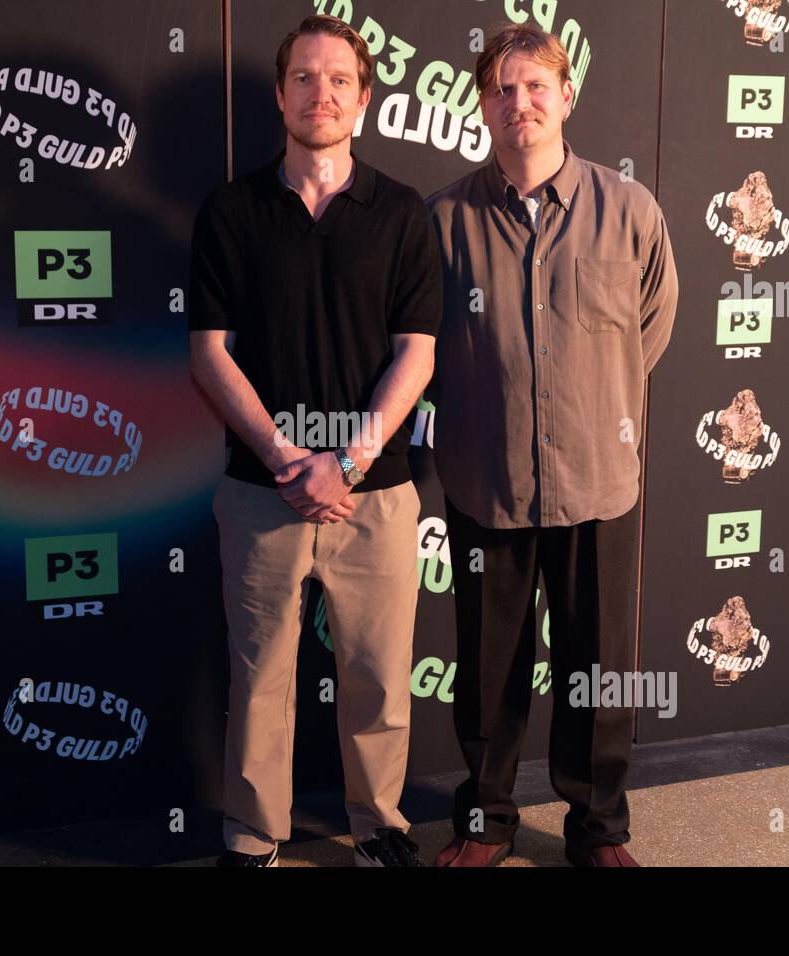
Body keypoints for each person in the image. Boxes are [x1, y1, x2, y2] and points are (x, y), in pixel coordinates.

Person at [188, 14, 441, 867]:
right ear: (280, 94)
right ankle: (254, 833)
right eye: (304, 77)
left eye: (338, 80)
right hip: (261, 490)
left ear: (363, 101)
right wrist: (286, 459)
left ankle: (380, 825)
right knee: (260, 679)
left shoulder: (402, 213)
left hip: (377, 492)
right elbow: (209, 353)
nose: (320, 93)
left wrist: (349, 461)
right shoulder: (230, 210)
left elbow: (417, 354)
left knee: (379, 677)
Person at [425, 23, 678, 867]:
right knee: (486, 670)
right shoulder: (444, 220)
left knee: (599, 672)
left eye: (536, 86)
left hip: (598, 482)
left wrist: (590, 405)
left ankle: (599, 829)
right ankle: (485, 822)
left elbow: (648, 330)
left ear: (567, 96)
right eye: (502, 89)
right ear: (482, 105)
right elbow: (422, 347)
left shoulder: (630, 210)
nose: (519, 103)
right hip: (486, 481)